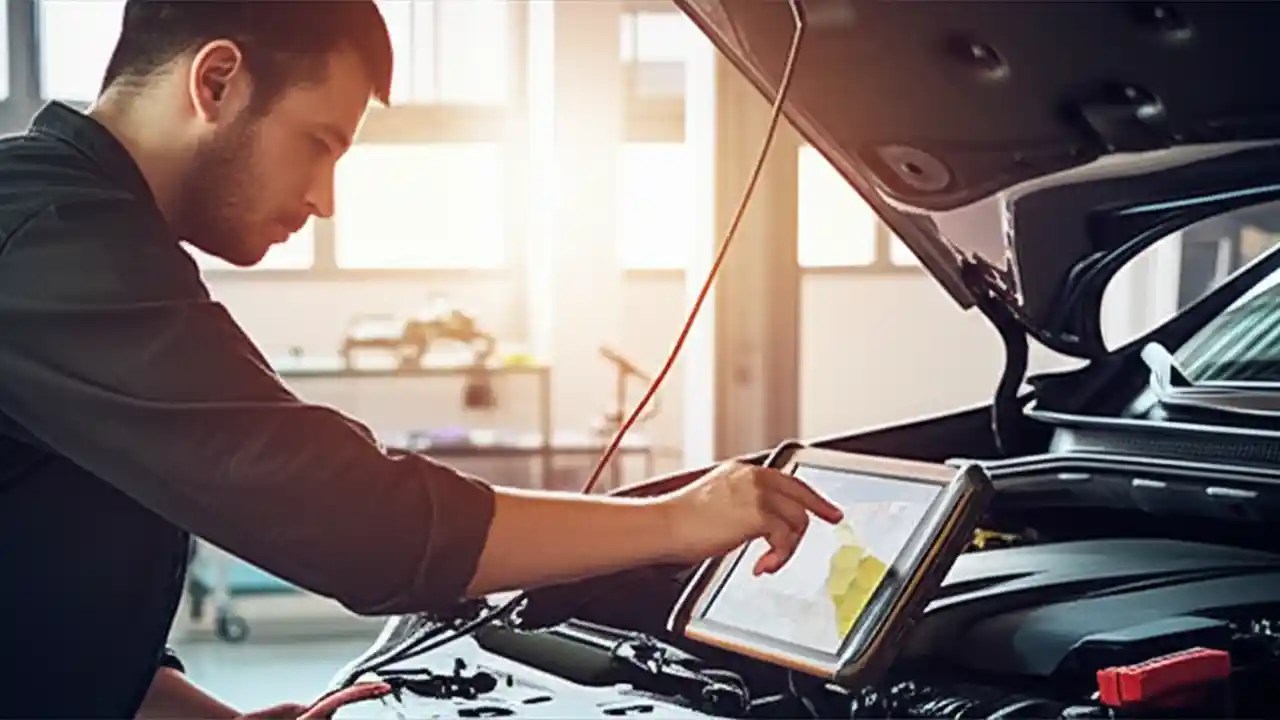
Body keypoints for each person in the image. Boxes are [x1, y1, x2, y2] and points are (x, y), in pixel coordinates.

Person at [0, 2, 843, 718]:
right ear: (216, 81)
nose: (324, 200)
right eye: (318, 143)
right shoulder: (57, 243)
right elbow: (352, 520)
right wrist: (675, 523)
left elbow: (35, 600)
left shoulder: (67, 223)